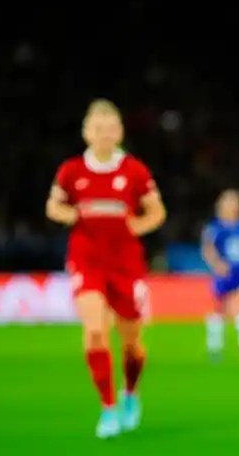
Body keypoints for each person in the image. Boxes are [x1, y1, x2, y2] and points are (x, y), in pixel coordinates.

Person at [45, 99, 166, 438]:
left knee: (132, 341)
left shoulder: (134, 171)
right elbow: (53, 206)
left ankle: (130, 393)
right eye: (98, 129)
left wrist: (137, 226)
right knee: (96, 330)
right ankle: (108, 408)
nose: (104, 135)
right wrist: (70, 214)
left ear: (120, 132)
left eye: (111, 128)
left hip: (125, 263)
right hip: (86, 260)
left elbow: (157, 211)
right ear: (87, 132)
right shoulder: (71, 171)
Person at [201, 189, 239, 360]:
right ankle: (215, 347)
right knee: (218, 310)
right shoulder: (214, 228)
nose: (234, 206)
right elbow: (208, 249)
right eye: (230, 202)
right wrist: (216, 264)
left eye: (236, 202)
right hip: (224, 272)